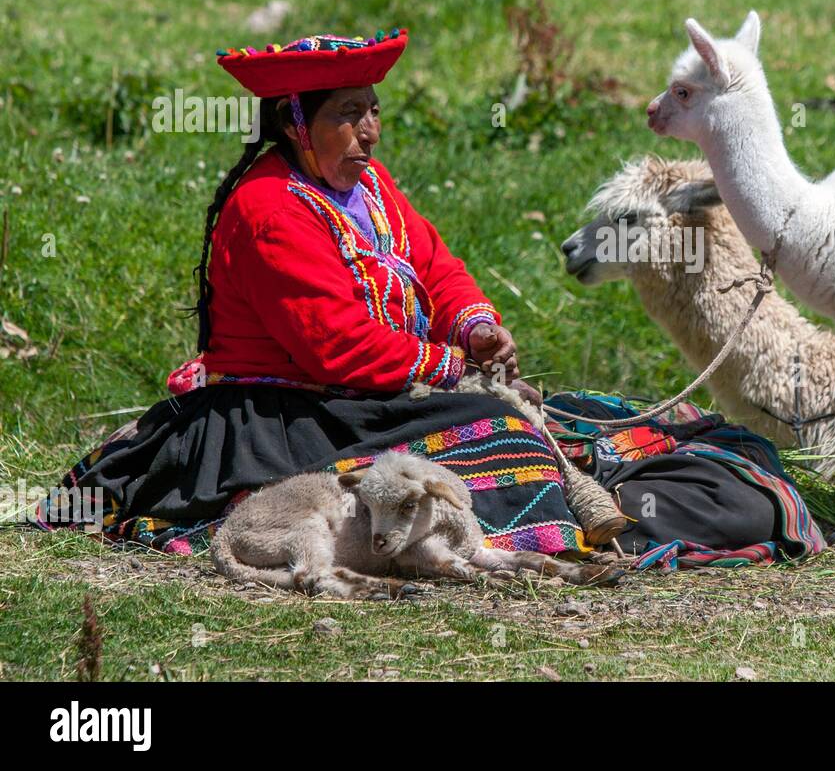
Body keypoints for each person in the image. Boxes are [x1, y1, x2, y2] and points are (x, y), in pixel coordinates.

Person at [36, 30, 583, 556]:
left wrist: (475, 327)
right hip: (283, 418)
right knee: (506, 438)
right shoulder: (269, 210)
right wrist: (453, 366)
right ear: (296, 123)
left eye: (372, 110)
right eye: (347, 114)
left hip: (363, 397)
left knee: (559, 420)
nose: (369, 131)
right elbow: (338, 347)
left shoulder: (370, 187)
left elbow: (435, 266)